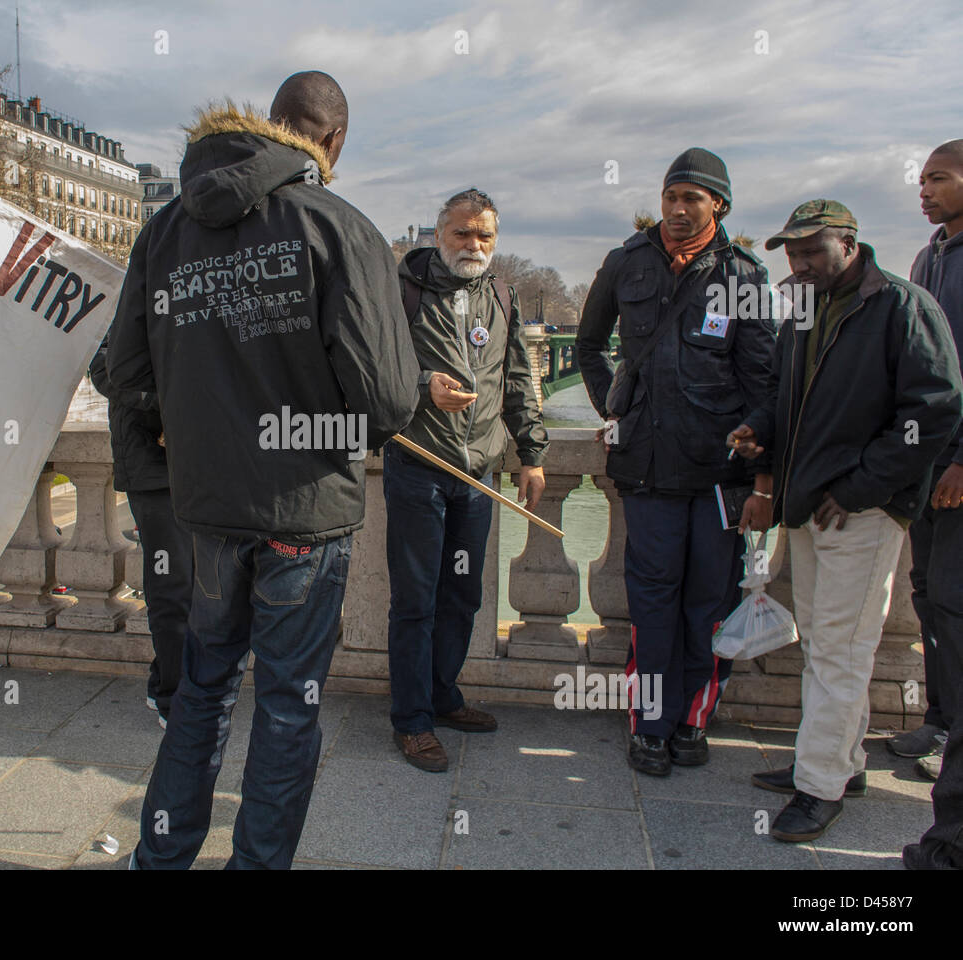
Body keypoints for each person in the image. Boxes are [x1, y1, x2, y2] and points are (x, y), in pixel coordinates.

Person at [106, 71, 419, 869]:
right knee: (286, 710)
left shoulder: (166, 228)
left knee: (200, 693)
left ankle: (159, 861)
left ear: (270, 123)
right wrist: (300, 424)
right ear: (331, 143)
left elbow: (121, 372)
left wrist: (201, 422)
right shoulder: (339, 226)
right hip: (302, 517)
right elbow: (386, 402)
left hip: (205, 510)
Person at [731, 199, 963, 843]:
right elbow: (787, 394)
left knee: (839, 648)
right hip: (813, 506)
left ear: (850, 245)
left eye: (812, 252)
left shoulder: (903, 306)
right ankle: (839, 762)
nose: (799, 265)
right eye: (794, 255)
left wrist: (863, 487)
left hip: (858, 510)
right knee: (828, 644)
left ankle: (819, 786)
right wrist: (762, 434)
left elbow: (935, 409)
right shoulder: (808, 309)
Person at [576, 148, 774, 777]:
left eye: (694, 198)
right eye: (671, 197)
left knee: (708, 601)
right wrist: (615, 406)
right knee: (653, 599)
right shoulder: (625, 261)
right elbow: (587, 346)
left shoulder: (744, 276)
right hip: (647, 465)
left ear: (719, 205)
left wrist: (754, 453)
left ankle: (694, 717)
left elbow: (763, 376)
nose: (679, 209)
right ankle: (650, 724)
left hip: (719, 473)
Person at [386, 188, 548, 772]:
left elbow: (516, 381)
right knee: (414, 599)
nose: (474, 245)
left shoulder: (502, 294)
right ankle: (411, 720)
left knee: (462, 595)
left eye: (485, 236)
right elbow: (374, 368)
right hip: (419, 466)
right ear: (438, 234)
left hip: (477, 473)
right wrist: (423, 385)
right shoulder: (402, 289)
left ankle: (441, 695)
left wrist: (531, 453)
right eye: (463, 233)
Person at [891, 140, 963, 783]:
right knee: (928, 598)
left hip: (957, 467)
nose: (924, 190)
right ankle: (940, 719)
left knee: (954, 600)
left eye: (938, 179)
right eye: (922, 180)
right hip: (927, 463)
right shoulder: (928, 255)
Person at [89, 334, 191, 730]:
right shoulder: (133, 293)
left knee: (204, 588)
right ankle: (173, 697)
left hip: (205, 464)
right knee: (174, 588)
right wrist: (173, 398)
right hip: (155, 469)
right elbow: (103, 368)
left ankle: (168, 679)